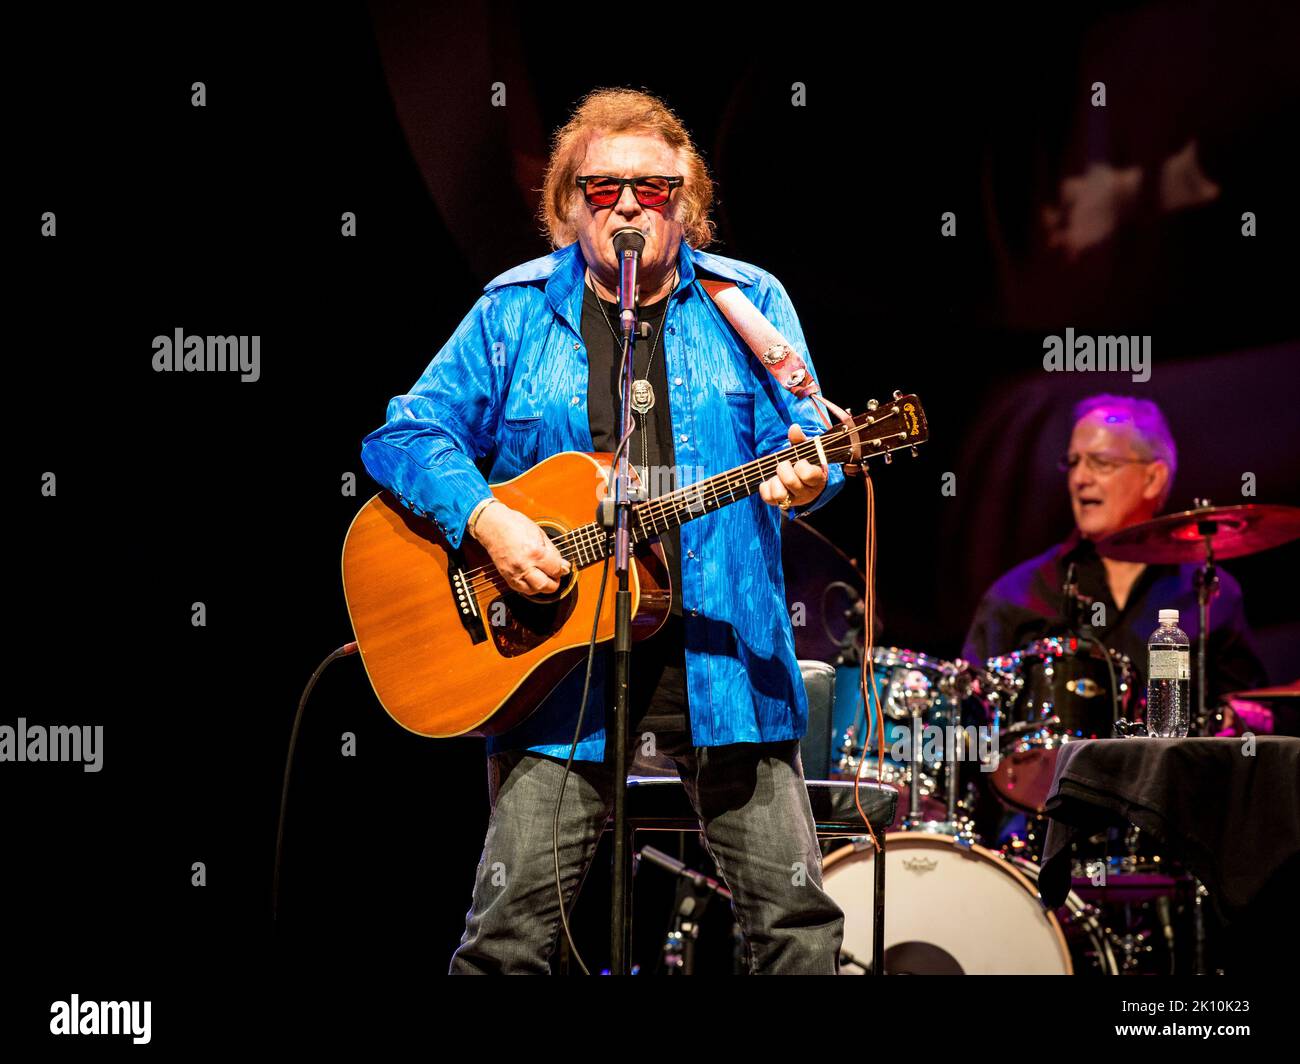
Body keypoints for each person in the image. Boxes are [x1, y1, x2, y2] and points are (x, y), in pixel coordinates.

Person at [360, 88, 847, 974]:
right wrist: (491, 520)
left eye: (653, 189)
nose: (628, 205)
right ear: (567, 203)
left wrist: (813, 472)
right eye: (603, 187)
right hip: (558, 675)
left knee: (797, 933)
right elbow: (403, 434)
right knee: (505, 942)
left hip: (725, 670)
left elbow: (813, 445)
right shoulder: (510, 313)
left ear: (685, 200)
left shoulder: (752, 302)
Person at [963, 393, 1268, 712]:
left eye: (1101, 463)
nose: (1080, 479)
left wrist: (1244, 718)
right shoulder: (1016, 595)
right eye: (1073, 462)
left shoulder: (1209, 595)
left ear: (1153, 479)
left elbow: (1252, 717)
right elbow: (971, 715)